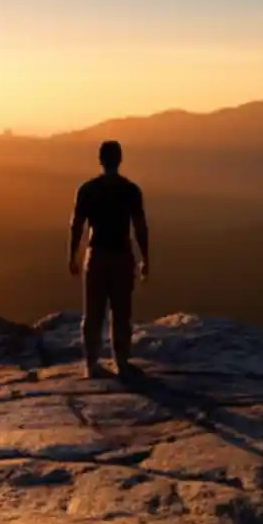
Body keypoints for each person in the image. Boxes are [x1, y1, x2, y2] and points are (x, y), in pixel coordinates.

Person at [68, 140, 150, 377]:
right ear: (120, 159)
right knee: (121, 311)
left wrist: (72, 255)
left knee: (93, 311)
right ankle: (121, 361)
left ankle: (92, 363)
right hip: (122, 255)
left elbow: (77, 225)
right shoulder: (131, 190)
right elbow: (140, 227)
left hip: (96, 255)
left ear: (100, 160)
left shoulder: (88, 189)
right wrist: (145, 259)